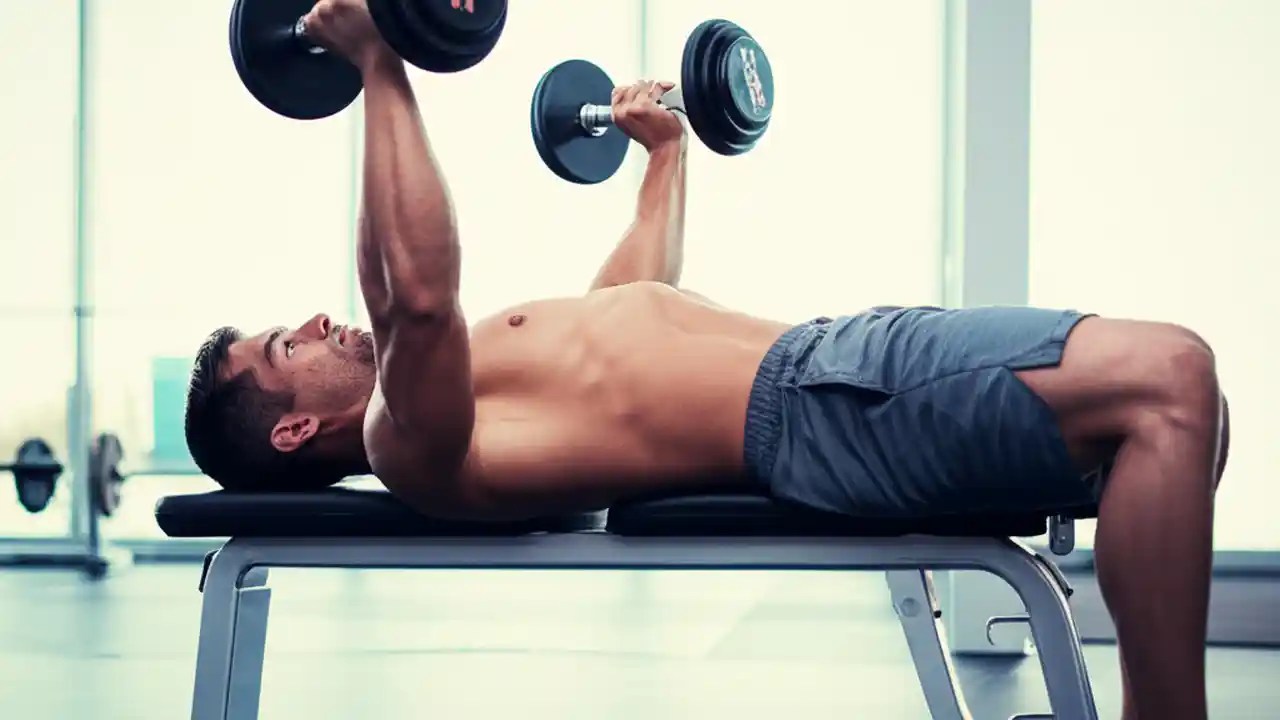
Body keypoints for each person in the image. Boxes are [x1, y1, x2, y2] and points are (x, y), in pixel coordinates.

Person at [184, 2, 1228, 718]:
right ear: (291, 429)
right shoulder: (409, 440)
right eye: (287, 343)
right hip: (825, 405)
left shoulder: (478, 399)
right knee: (1169, 377)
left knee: (1186, 420)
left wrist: (666, 158)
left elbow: (630, 306)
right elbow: (409, 291)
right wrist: (380, 65)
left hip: (834, 371)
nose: (317, 322)